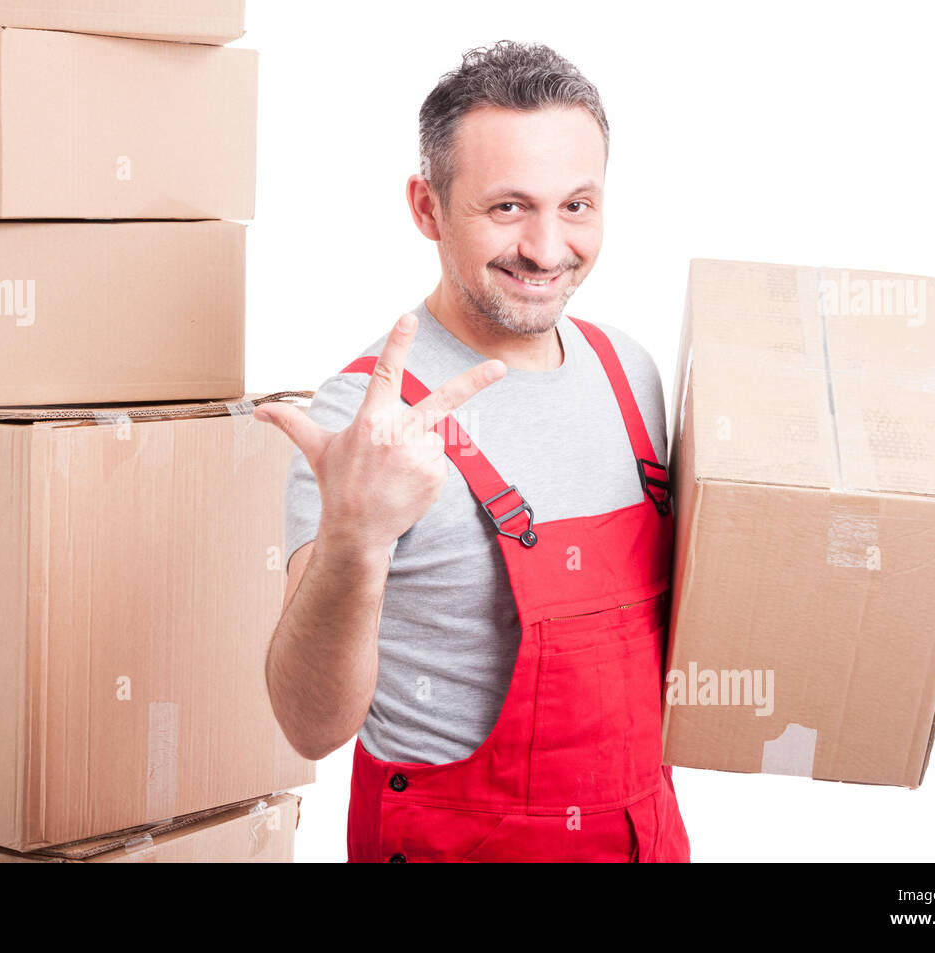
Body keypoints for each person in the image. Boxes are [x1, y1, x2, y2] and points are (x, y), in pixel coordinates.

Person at [252, 40, 690, 863]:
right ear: (427, 207)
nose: (548, 249)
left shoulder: (632, 373)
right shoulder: (367, 417)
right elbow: (308, 725)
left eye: (577, 206)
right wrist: (355, 536)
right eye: (508, 208)